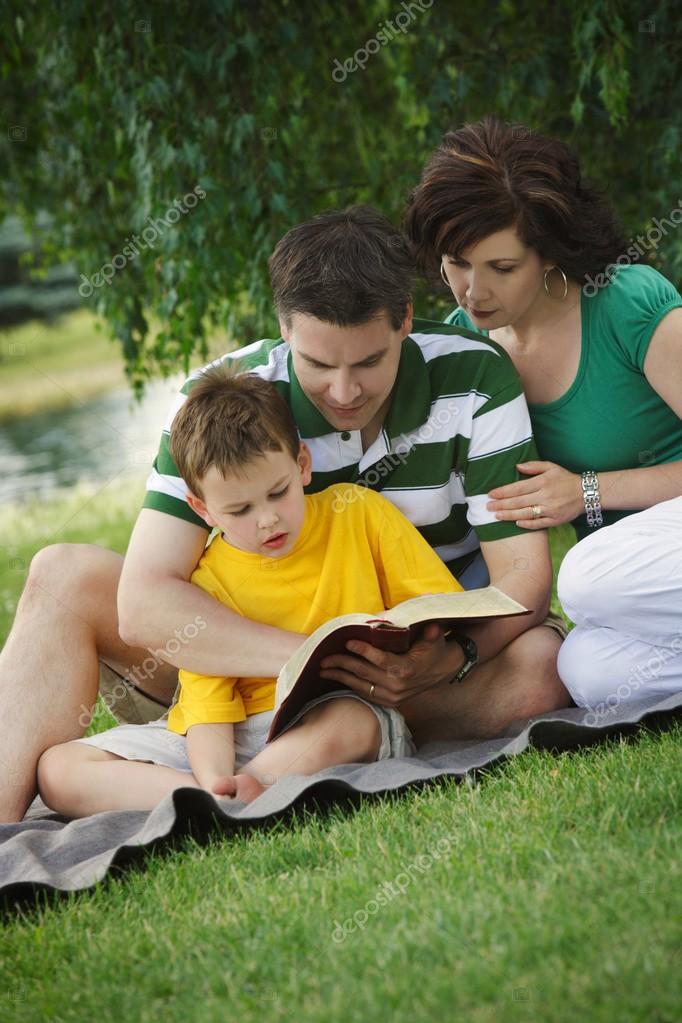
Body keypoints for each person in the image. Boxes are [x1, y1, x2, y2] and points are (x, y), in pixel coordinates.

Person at [0, 205, 568, 823]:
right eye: (319, 365)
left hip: (416, 676)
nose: (345, 392)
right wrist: (307, 657)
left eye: (369, 362)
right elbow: (144, 606)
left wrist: (451, 655)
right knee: (61, 573)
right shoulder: (224, 400)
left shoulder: (475, 377)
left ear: (404, 318)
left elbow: (522, 583)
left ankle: (274, 766)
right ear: (284, 328)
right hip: (243, 672)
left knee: (540, 668)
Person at [37, 367, 468, 816]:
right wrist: (213, 776)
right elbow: (208, 713)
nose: (268, 520)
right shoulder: (206, 581)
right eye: (240, 509)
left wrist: (426, 647)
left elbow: (439, 609)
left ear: (302, 465)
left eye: (277, 493)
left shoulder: (358, 514)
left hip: (334, 712)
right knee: (59, 769)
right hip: (233, 735)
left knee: (351, 723)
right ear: (202, 509)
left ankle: (247, 792)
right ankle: (216, 799)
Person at [405, 116, 682, 719]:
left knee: (583, 576)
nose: (472, 291)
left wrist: (585, 492)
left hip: (629, 561)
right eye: (458, 263)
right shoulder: (464, 352)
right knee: (588, 671)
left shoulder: (626, 302)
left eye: (501, 268)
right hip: (642, 583)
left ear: (550, 250)